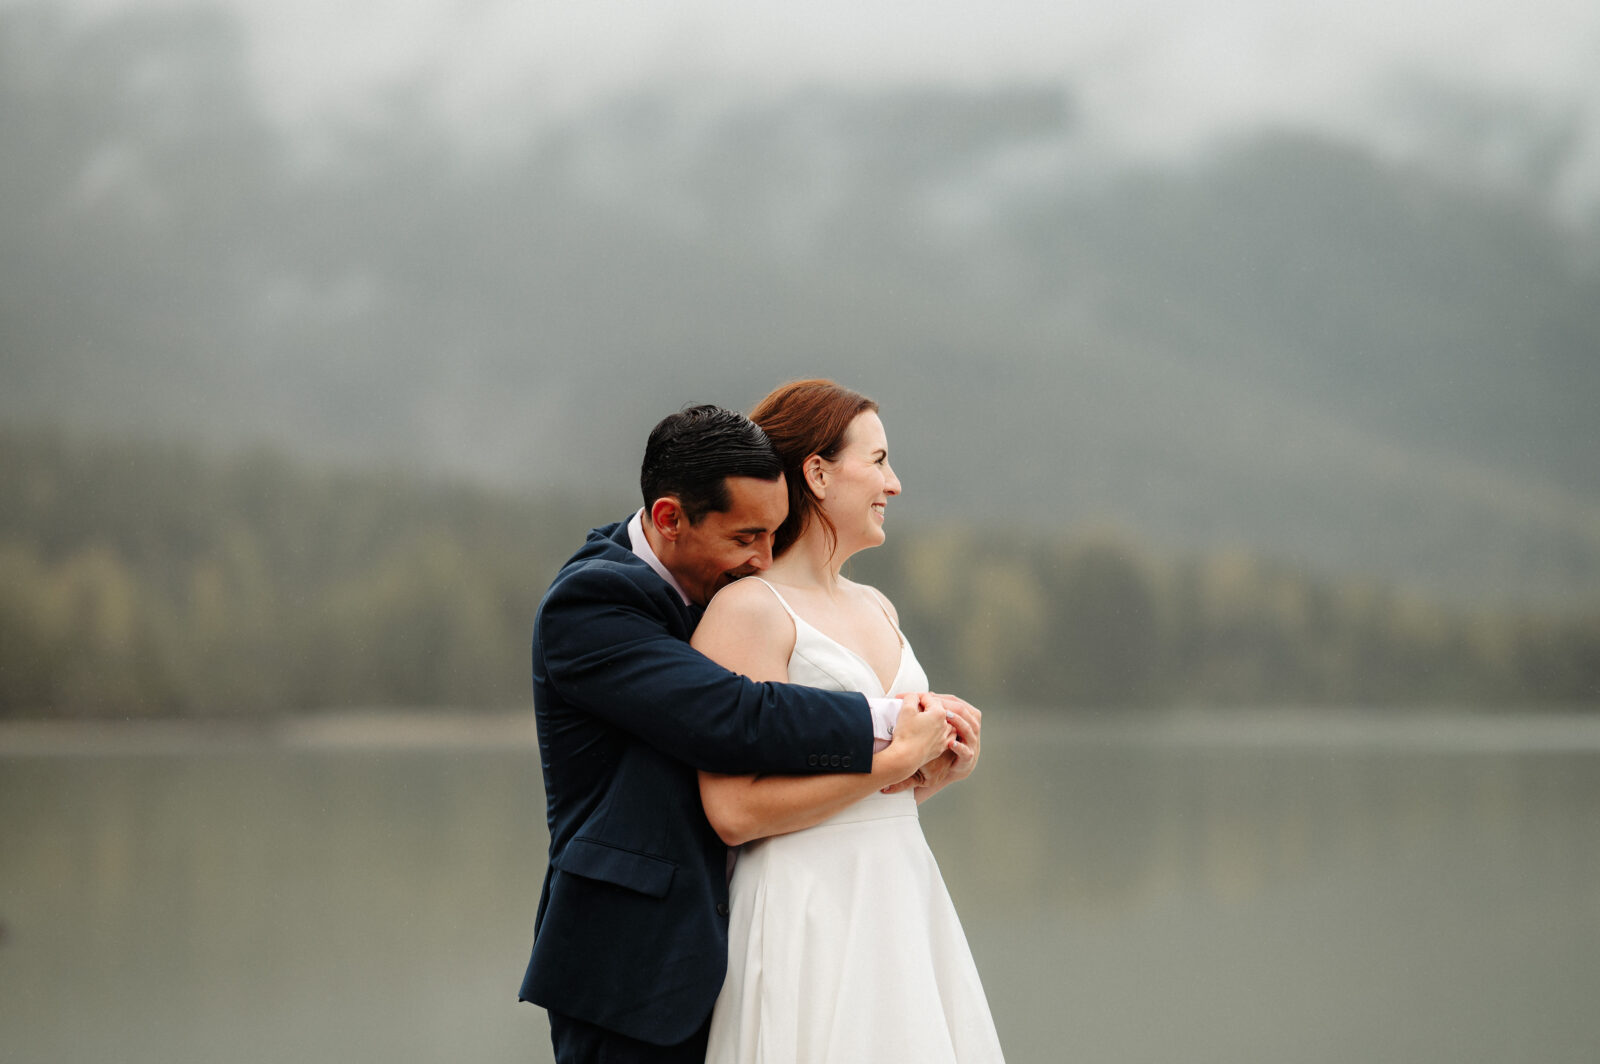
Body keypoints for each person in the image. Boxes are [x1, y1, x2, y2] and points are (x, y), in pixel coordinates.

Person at [517, 404, 960, 1064]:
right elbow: (734, 714)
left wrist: (928, 760)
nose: (763, 559)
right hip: (634, 966)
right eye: (747, 537)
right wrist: (895, 722)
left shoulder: (723, 582)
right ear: (670, 519)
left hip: (753, 944)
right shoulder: (591, 604)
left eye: (774, 534)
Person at [696, 380, 1005, 1062]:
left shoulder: (878, 606)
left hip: (901, 893)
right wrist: (894, 760)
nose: (894, 484)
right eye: (880, 460)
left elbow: (871, 797)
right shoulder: (749, 610)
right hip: (808, 907)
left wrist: (937, 770)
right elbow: (733, 813)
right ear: (817, 473)